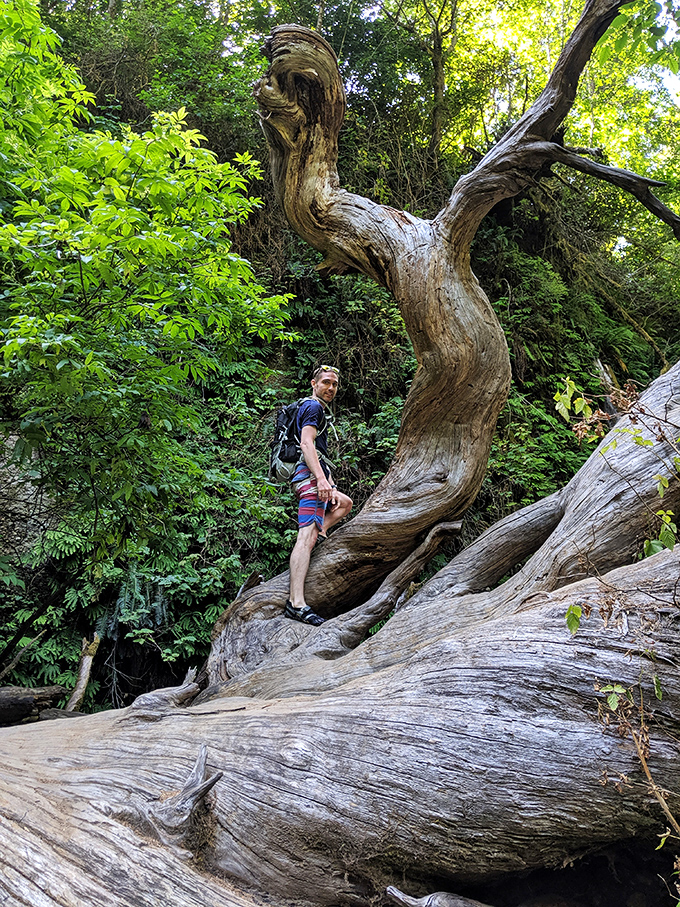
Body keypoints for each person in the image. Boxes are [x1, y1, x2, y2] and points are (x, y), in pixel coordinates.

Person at [284, 365, 352, 625]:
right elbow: (306, 443)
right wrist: (321, 481)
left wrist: (330, 483)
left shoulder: (316, 409)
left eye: (334, 384)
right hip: (309, 480)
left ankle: (316, 533)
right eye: (325, 382)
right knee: (305, 538)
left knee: (344, 503)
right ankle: (296, 603)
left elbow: (320, 454)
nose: (330, 388)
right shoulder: (312, 408)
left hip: (314, 476)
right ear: (314, 383)